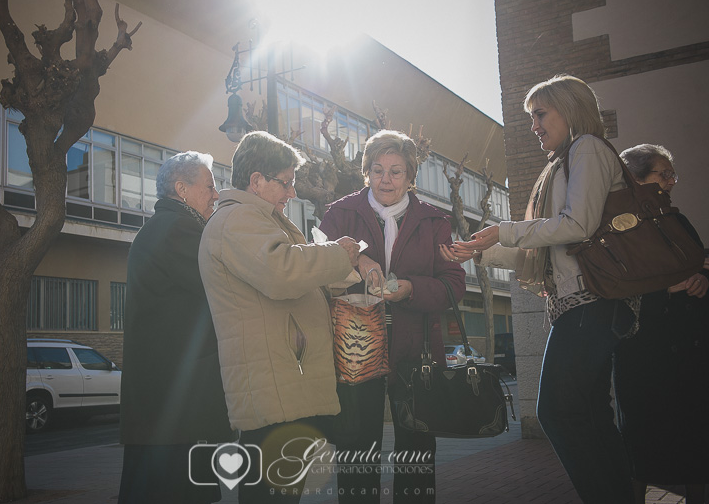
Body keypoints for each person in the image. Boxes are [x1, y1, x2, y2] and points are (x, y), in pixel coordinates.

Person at [440, 74, 638, 503]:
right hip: (583, 304)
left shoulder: (585, 147)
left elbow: (578, 226)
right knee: (589, 414)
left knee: (556, 411)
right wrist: (480, 249)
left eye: (540, 114)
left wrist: (503, 231)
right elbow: (550, 248)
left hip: (591, 301)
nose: (534, 126)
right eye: (531, 117)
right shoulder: (562, 162)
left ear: (570, 108)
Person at [198, 131, 361, 504]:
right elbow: (281, 272)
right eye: (285, 183)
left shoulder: (257, 218)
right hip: (274, 391)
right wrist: (338, 255)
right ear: (256, 181)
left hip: (283, 386)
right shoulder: (238, 220)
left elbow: (292, 274)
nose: (292, 193)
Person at [319, 129, 467, 504]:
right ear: (366, 171)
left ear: (410, 176)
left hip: (417, 352)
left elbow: (454, 284)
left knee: (416, 449)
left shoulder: (435, 221)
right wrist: (354, 257)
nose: (386, 179)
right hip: (355, 349)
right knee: (355, 449)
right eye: (378, 169)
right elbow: (316, 265)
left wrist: (411, 289)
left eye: (396, 171)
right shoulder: (340, 213)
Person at [118, 152, 231, 503]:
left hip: (164, 407)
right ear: (182, 189)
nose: (216, 194)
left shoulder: (163, 227)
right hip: (178, 409)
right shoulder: (179, 229)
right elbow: (225, 285)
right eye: (210, 186)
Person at [613, 144, 708, 504]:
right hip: (644, 352)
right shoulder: (618, 226)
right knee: (643, 439)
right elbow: (614, 288)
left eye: (672, 175)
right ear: (637, 179)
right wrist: (664, 289)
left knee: (696, 435)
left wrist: (702, 279)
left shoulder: (678, 219)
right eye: (663, 174)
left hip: (690, 347)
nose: (671, 182)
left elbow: (699, 263)